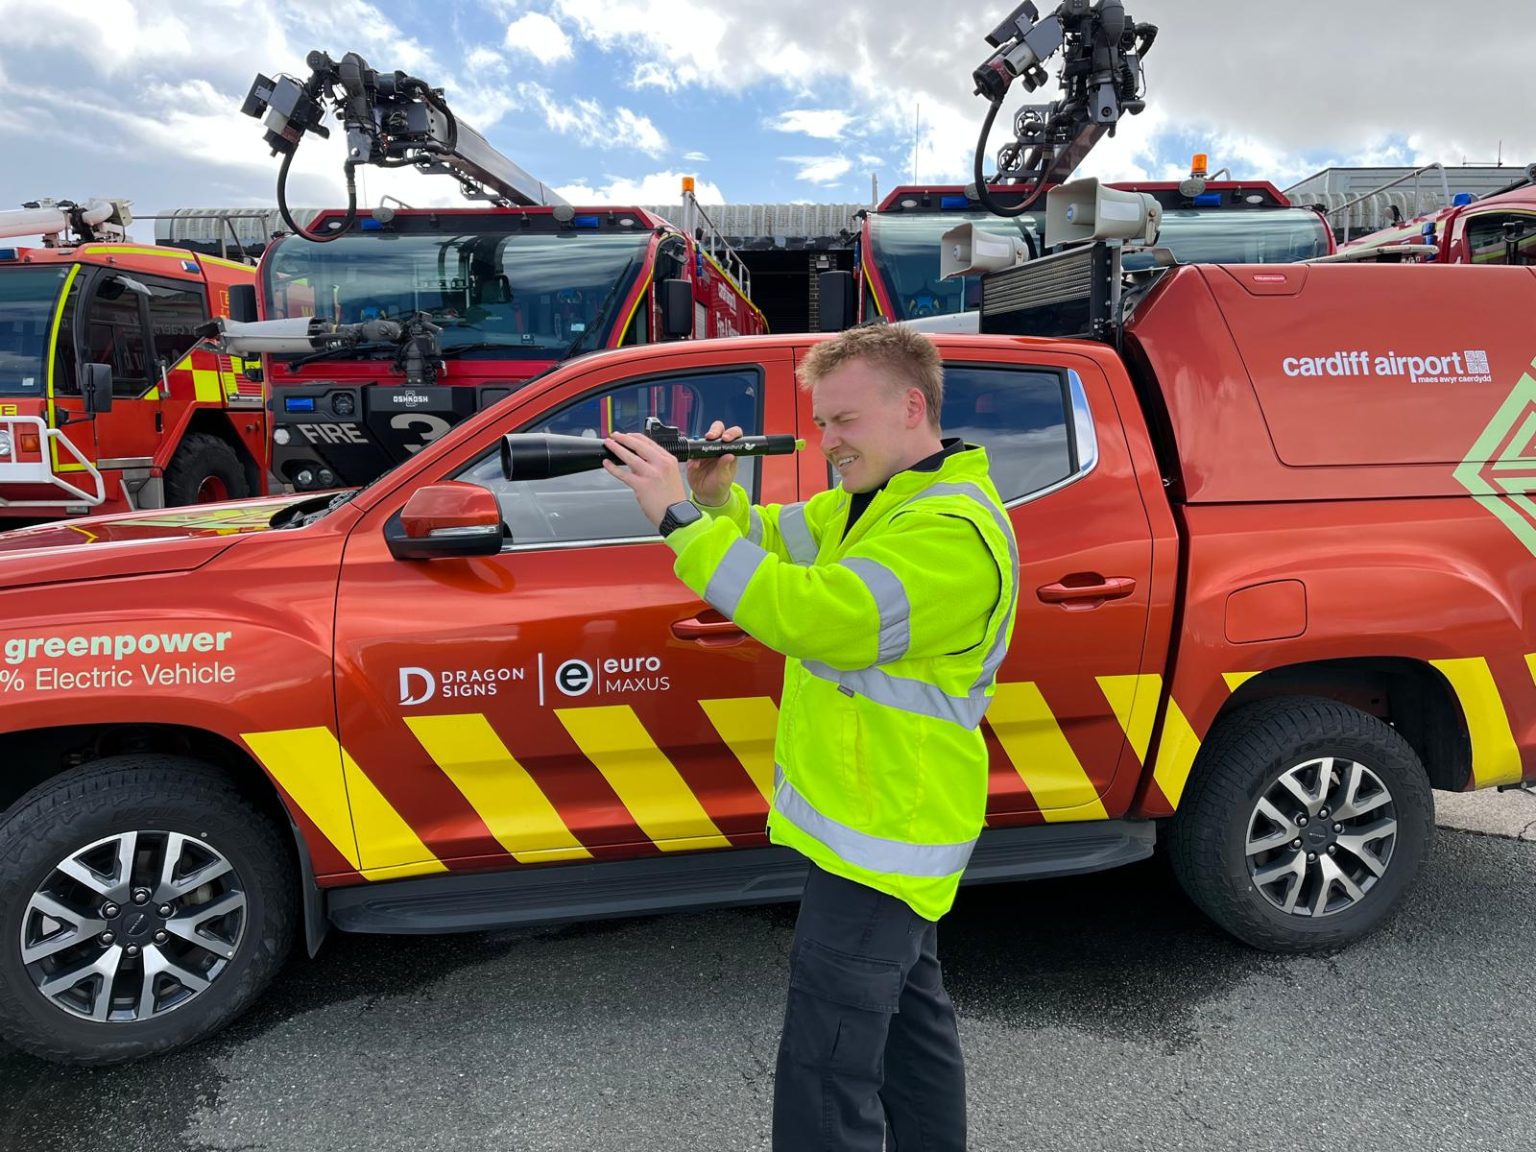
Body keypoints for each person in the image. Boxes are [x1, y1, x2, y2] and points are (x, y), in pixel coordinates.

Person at [603, 324, 1019, 1151]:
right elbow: (768, 545)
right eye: (821, 422)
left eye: (844, 422)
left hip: (886, 835)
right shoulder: (873, 504)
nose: (827, 441)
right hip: (873, 822)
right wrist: (719, 498)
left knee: (825, 1071)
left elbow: (813, 616)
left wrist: (678, 518)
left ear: (910, 406)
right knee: (908, 1028)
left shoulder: (951, 533)